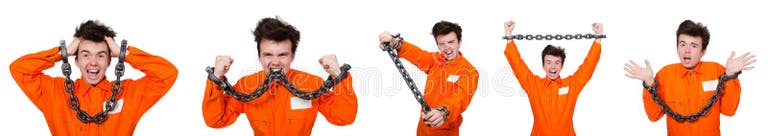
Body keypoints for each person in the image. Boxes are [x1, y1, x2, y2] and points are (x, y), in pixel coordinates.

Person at [9, 20, 178, 135]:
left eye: (101, 55)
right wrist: (63, 52)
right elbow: (19, 69)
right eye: (85, 55)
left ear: (109, 61)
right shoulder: (55, 92)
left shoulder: (129, 94)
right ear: (76, 60)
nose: (93, 62)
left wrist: (123, 53)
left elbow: (167, 74)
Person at [202, 17, 357, 136]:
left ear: (292, 56)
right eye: (268, 54)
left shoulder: (312, 83)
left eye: (282, 54)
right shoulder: (246, 85)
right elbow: (216, 120)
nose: (275, 62)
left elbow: (344, 118)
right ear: (259, 56)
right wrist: (217, 78)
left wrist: (339, 76)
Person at [624, 20, 756, 136]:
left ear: (703, 52)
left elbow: (729, 111)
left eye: (694, 46)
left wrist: (731, 75)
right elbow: (654, 116)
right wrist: (649, 83)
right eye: (682, 44)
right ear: (677, 48)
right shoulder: (665, 74)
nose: (687, 50)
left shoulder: (716, 71)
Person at [378, 20, 479, 136]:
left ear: (459, 43)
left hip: (445, 131)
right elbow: (419, 55)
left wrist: (443, 111)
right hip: (423, 129)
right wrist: (396, 43)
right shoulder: (436, 61)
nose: (447, 48)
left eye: (451, 42)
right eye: (442, 44)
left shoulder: (469, 72)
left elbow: (460, 99)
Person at [502, 20, 603, 135]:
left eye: (557, 62)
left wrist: (598, 37)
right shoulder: (534, 85)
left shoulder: (571, 85)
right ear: (543, 66)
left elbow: (588, 66)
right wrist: (509, 35)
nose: (553, 67)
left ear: (562, 66)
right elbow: (518, 65)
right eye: (548, 62)